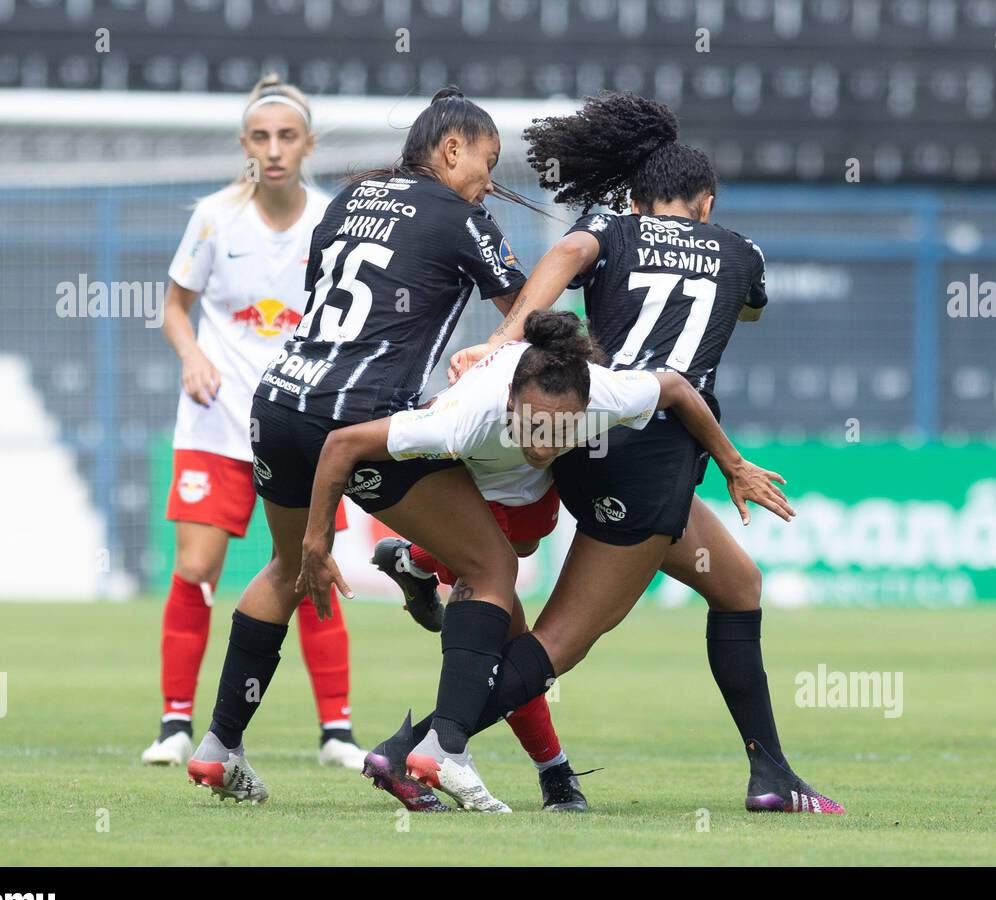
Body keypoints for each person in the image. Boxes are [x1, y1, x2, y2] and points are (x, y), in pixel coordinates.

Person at [433, 91, 843, 813]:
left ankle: (771, 774)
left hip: (587, 431)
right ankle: (423, 750)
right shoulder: (740, 251)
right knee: (561, 642)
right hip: (651, 453)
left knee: (737, 585)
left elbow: (564, 253)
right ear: (707, 203)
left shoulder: (609, 227)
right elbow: (745, 309)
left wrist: (506, 340)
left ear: (637, 194)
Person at [185, 86, 546, 811]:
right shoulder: (461, 217)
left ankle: (218, 745)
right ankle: (444, 750)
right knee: (490, 562)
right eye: (487, 160)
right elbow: (531, 314)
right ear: (452, 149)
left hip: (280, 401)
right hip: (358, 419)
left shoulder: (346, 203)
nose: (488, 177)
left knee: (290, 566)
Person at [298, 309, 786, 813]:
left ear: (585, 410)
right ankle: (538, 771)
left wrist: (732, 463)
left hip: (528, 504)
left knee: (525, 553)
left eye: (562, 430)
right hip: (464, 485)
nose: (543, 443)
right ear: (510, 399)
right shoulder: (461, 418)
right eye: (531, 424)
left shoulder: (607, 392)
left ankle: (416, 564)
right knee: (510, 628)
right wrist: (315, 543)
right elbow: (342, 444)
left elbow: (680, 389)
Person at [142, 74, 362, 772]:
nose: (274, 150)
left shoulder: (333, 222)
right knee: (198, 568)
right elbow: (175, 306)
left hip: (299, 429)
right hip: (215, 422)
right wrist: (190, 357)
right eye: (261, 137)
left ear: (308, 144)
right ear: (245, 144)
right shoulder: (212, 217)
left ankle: (338, 734)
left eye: (287, 137)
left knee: (311, 566)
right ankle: (176, 723)